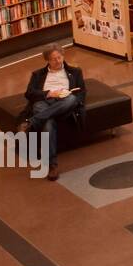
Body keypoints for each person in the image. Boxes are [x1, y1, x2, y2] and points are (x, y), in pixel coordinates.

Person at [21, 46, 87, 181]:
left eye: (59, 57)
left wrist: (70, 97)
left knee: (72, 99)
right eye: (53, 59)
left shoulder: (74, 72)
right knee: (48, 123)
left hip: (65, 103)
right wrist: (49, 93)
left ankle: (32, 122)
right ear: (47, 61)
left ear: (63, 56)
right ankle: (52, 165)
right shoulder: (38, 74)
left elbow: (81, 92)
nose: (57, 61)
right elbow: (29, 93)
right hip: (44, 102)